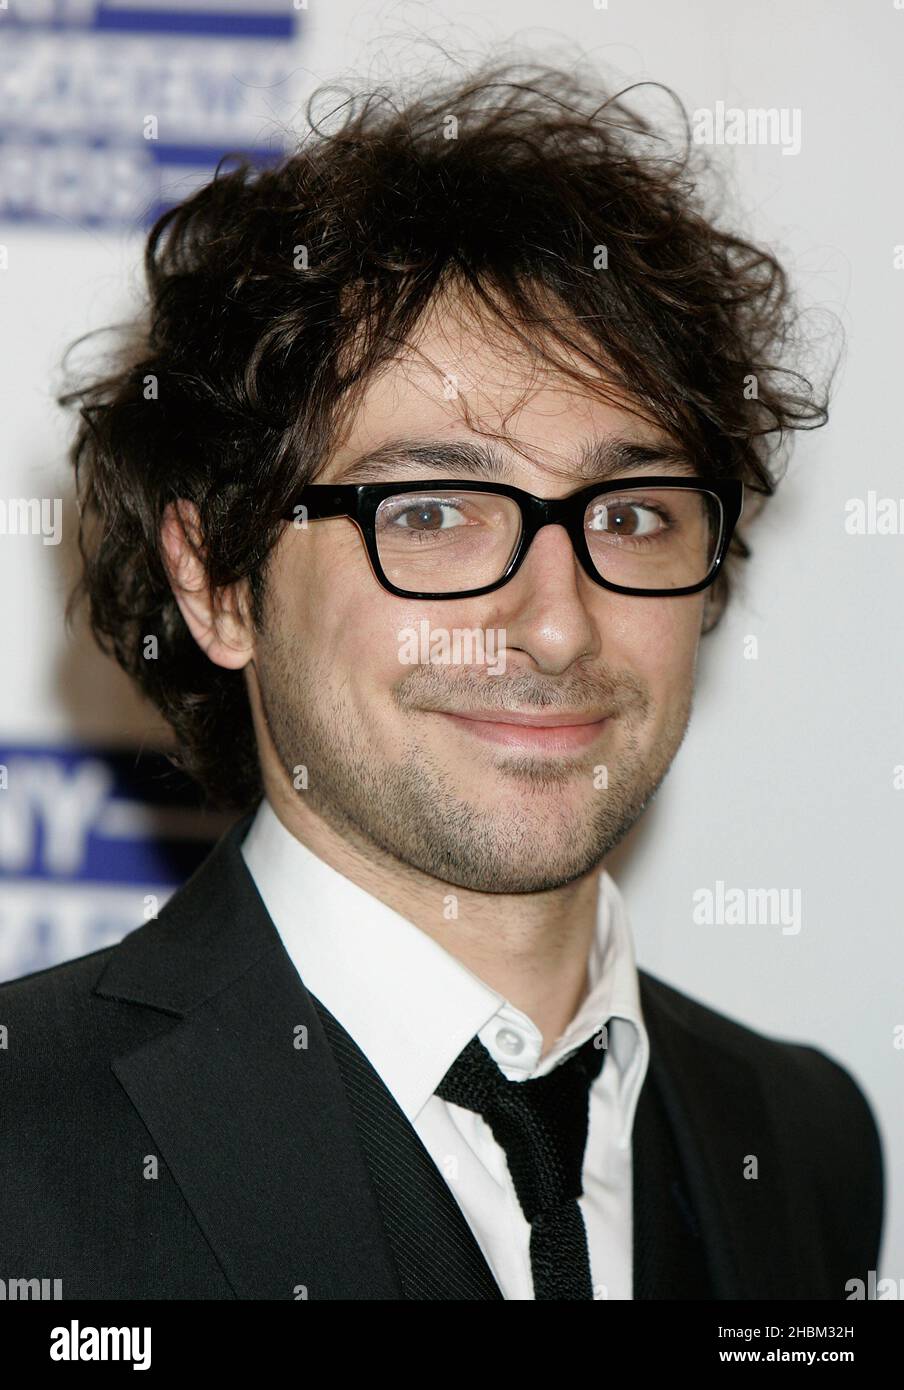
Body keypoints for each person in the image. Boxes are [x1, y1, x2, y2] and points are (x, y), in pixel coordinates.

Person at [0, 61, 882, 1300]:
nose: (558, 626)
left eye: (629, 515)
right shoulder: (22, 1147)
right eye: (430, 512)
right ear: (216, 581)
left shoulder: (802, 1141)